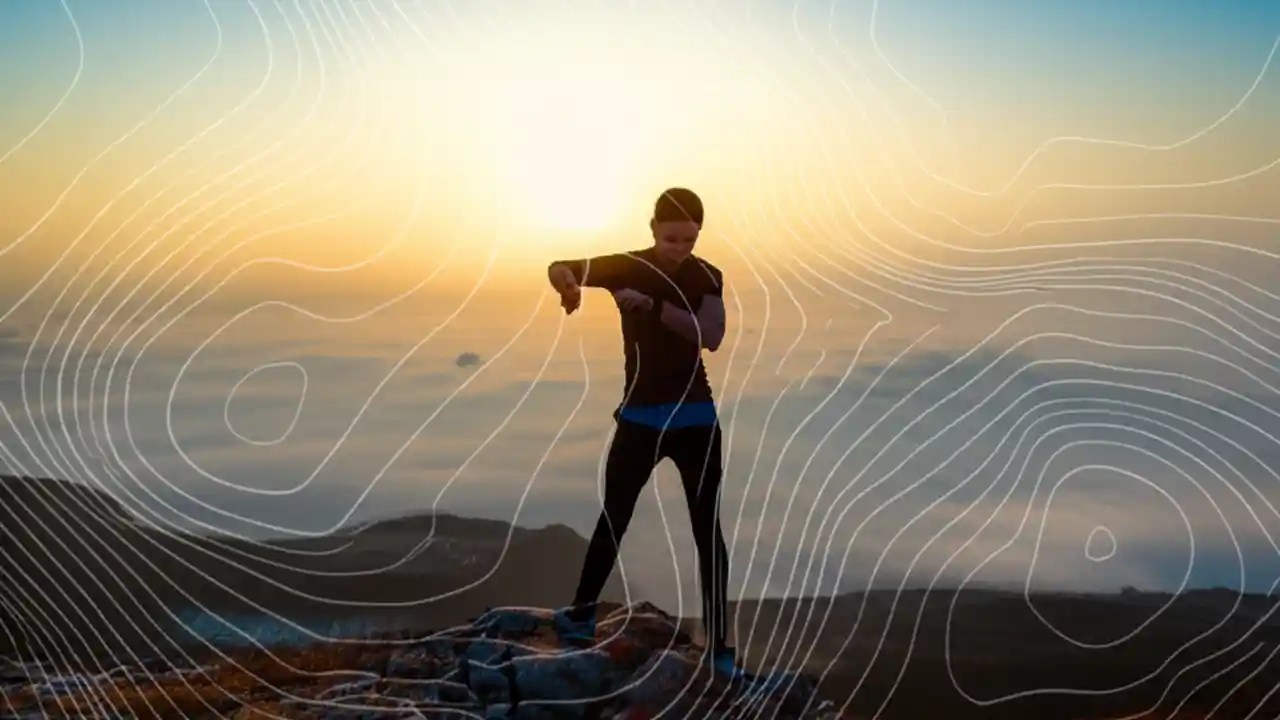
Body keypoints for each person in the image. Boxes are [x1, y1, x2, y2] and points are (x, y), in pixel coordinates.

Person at [545, 187, 747, 679]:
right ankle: (580, 616)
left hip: (695, 419)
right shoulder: (627, 266)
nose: (681, 247)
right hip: (640, 416)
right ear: (653, 229)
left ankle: (719, 646)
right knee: (614, 517)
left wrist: (653, 307)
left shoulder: (707, 275)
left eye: (690, 239)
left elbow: (712, 336)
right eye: (672, 237)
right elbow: (560, 265)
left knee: (706, 531)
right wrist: (569, 287)